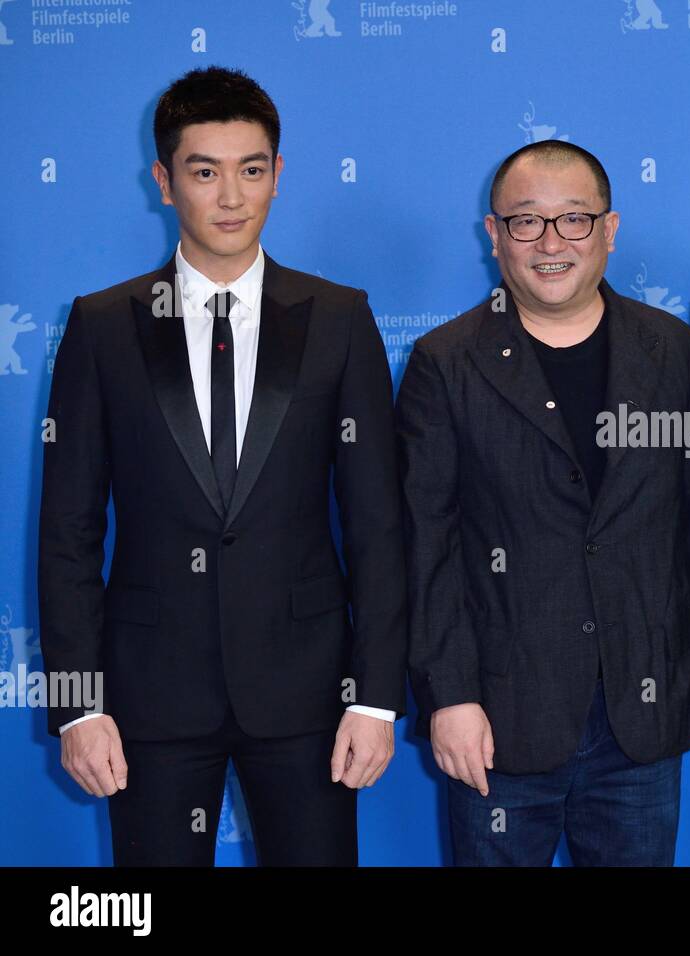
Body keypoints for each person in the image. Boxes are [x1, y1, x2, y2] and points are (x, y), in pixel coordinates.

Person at [39, 66, 407, 866]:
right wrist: (76, 706)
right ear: (165, 183)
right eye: (205, 172)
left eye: (251, 169)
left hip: (311, 695)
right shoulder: (103, 326)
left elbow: (379, 522)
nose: (231, 196)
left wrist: (376, 693)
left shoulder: (339, 319)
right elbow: (67, 531)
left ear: (278, 176)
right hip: (149, 699)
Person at [397, 140, 690, 866]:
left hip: (640, 719)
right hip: (499, 720)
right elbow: (426, 547)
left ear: (609, 230)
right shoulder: (446, 364)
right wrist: (449, 697)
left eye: (574, 220)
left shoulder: (673, 351)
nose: (551, 243)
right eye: (526, 222)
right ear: (493, 235)